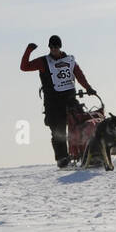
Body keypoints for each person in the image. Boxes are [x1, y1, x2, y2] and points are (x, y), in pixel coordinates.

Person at [20, 35, 96, 167]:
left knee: (79, 124)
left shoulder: (70, 60)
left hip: (69, 99)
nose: (54, 49)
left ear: (60, 47)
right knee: (58, 131)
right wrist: (29, 50)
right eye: (52, 47)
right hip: (53, 103)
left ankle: (86, 152)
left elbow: (79, 75)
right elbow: (24, 67)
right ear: (49, 47)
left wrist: (88, 88)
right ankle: (62, 159)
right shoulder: (44, 61)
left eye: (56, 47)